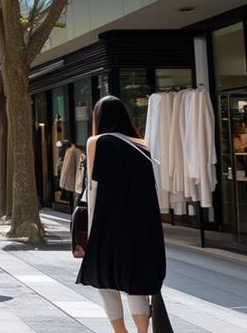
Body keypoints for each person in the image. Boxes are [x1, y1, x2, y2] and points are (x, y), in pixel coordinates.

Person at [77, 96, 165, 333]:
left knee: (105, 281)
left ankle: (120, 332)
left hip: (108, 224)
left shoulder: (96, 142)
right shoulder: (142, 145)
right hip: (142, 226)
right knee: (135, 282)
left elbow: (92, 190)